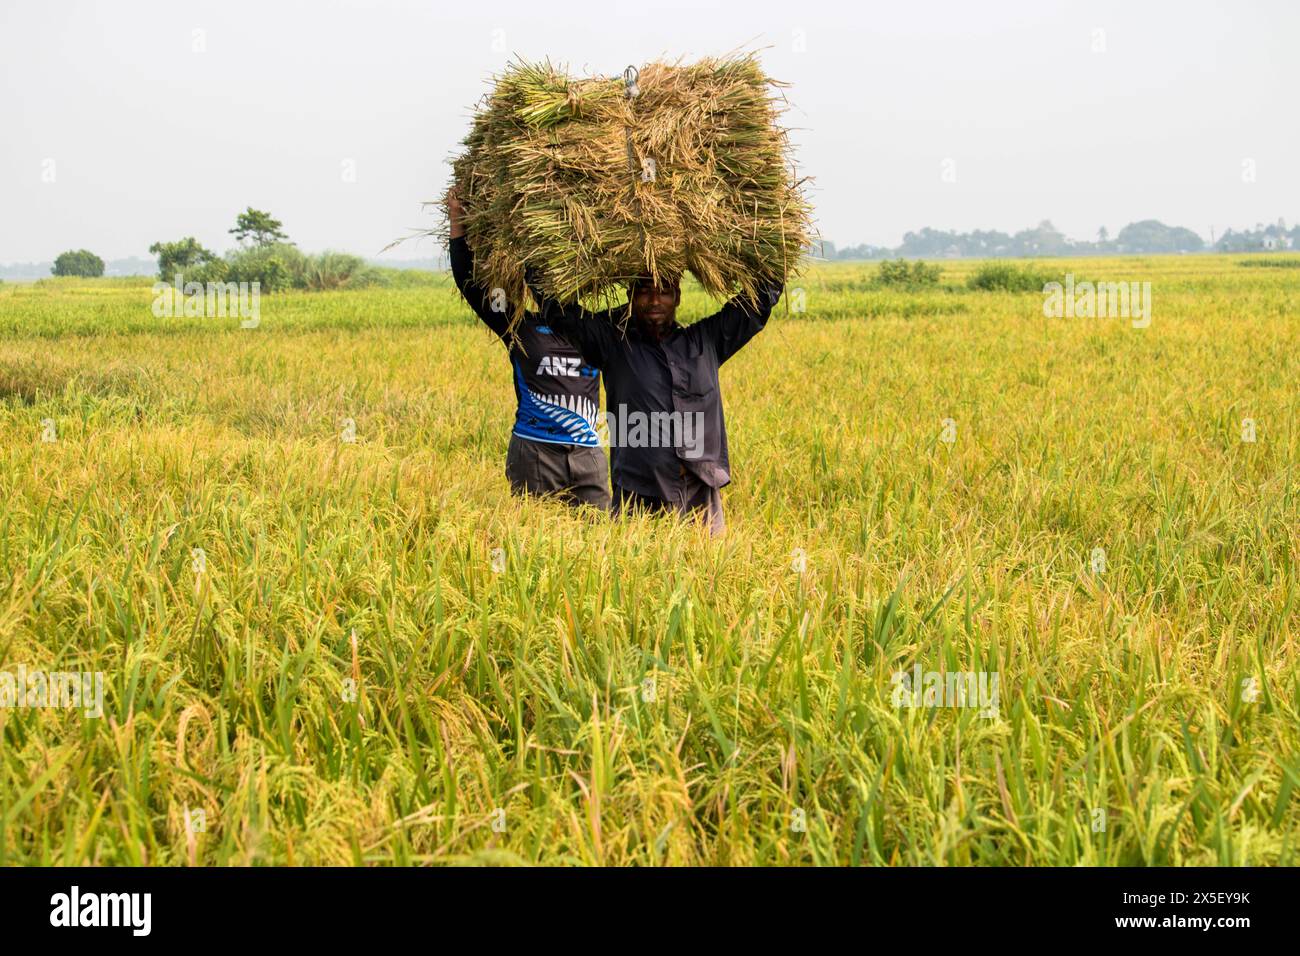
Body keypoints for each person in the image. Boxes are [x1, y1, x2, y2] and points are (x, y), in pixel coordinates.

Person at [539, 271, 782, 535]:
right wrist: (538, 269)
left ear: (677, 297)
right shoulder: (613, 346)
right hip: (637, 495)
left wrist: (773, 252)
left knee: (708, 573)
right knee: (636, 574)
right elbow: (560, 313)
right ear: (631, 298)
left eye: (664, 291)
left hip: (699, 493)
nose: (654, 300)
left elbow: (757, 304)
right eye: (644, 291)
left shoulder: (706, 342)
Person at [447, 187, 610, 509]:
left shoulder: (601, 328)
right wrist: (458, 223)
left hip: (589, 454)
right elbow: (471, 285)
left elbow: (647, 298)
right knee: (538, 541)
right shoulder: (521, 325)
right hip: (535, 453)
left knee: (599, 544)